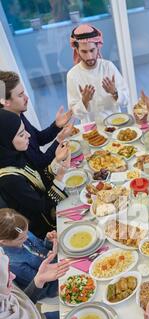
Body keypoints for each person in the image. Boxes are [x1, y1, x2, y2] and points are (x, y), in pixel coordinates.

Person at [0, 109, 70, 238]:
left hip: (54, 211)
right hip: (47, 231)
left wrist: (57, 162)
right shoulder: (9, 179)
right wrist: (59, 176)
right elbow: (41, 206)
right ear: (5, 141)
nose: (29, 135)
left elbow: (38, 178)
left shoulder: (15, 156)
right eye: (21, 135)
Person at [0, 70, 73, 170]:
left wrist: (56, 126)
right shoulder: (10, 135)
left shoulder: (18, 115)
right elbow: (39, 164)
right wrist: (59, 140)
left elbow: (39, 139)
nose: (26, 98)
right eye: (20, 95)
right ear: (6, 102)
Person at [67, 24, 129, 122]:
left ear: (98, 47)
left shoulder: (109, 67)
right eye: (84, 52)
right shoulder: (72, 75)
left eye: (92, 50)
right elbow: (74, 114)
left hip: (116, 124)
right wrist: (84, 101)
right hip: (92, 130)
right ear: (77, 51)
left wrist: (114, 92)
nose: (89, 56)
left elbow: (126, 101)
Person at [0, 208, 59, 300]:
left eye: (27, 232)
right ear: (4, 242)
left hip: (57, 264)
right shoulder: (13, 264)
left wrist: (49, 241)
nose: (27, 237)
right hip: (52, 287)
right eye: (21, 238)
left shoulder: (21, 232)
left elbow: (41, 248)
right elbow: (42, 284)